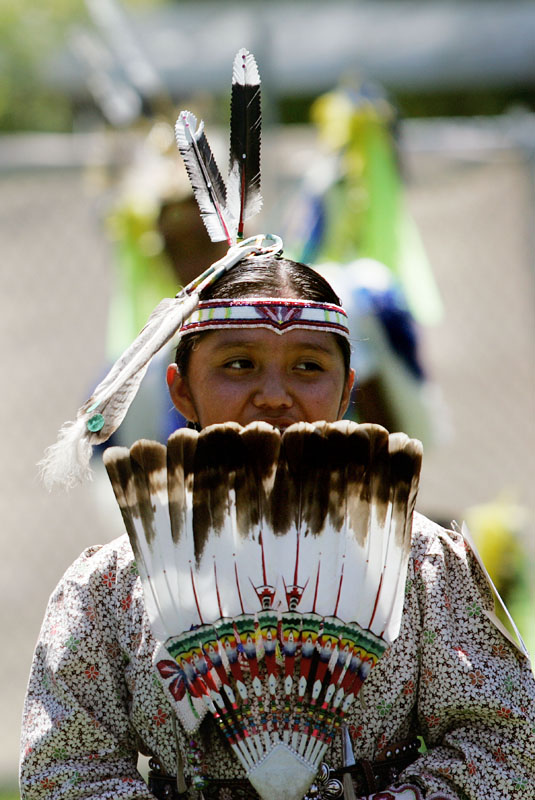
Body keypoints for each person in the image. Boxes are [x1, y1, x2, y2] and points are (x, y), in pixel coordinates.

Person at [21, 48, 534, 800]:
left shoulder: (423, 564)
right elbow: (63, 766)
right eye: (235, 366)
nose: (273, 395)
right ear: (180, 389)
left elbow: (506, 742)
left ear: (345, 389)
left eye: (306, 368)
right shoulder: (107, 583)